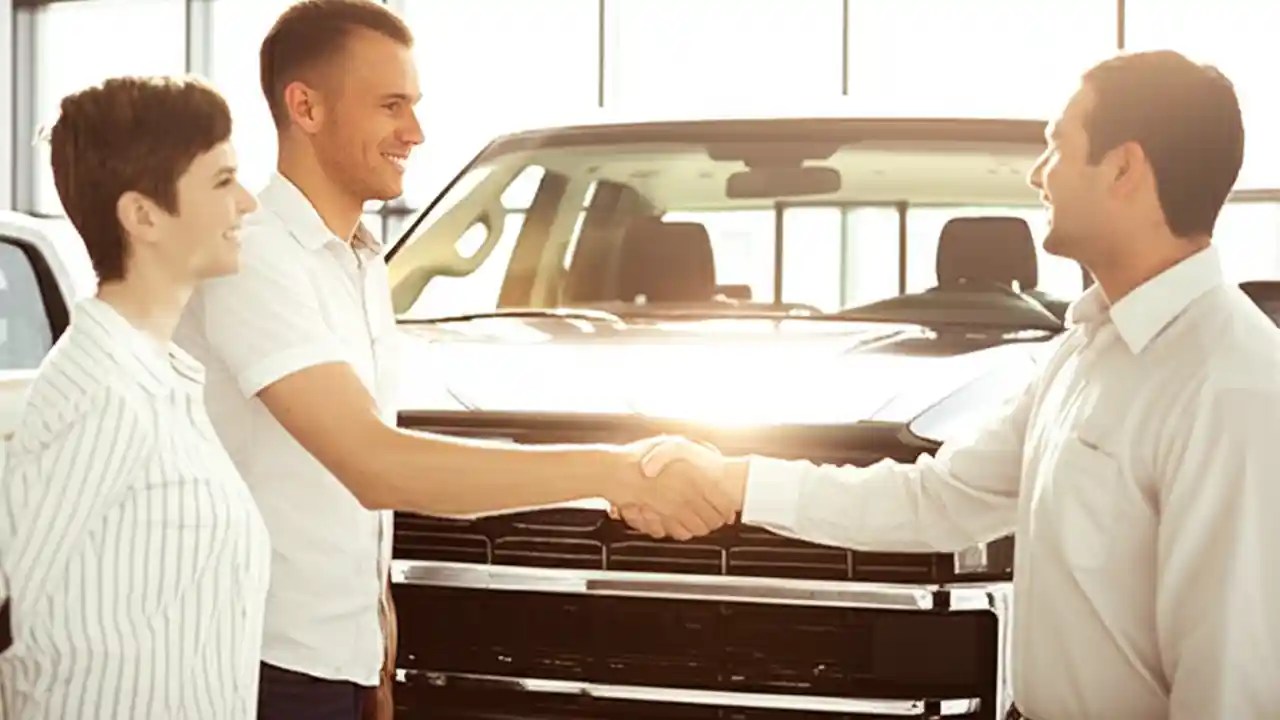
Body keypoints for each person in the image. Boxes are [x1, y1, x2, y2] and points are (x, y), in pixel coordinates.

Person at [629, 50, 1280, 720]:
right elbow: (939, 498)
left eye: (1056, 147)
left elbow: (1231, 692)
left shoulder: (1234, 388)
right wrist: (731, 480)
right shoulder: (1085, 351)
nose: (1038, 173)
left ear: (1122, 168)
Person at [171, 2, 731, 718]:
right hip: (257, 662)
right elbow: (375, 464)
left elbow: (343, 509)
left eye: (414, 104)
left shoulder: (359, 260)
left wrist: (377, 650)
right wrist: (617, 469)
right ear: (304, 106)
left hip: (334, 660)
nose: (416, 131)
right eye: (391, 105)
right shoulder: (251, 255)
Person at [0, 76, 267, 718]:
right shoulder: (99, 393)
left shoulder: (160, 377)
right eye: (223, 181)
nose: (248, 203)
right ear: (143, 215)